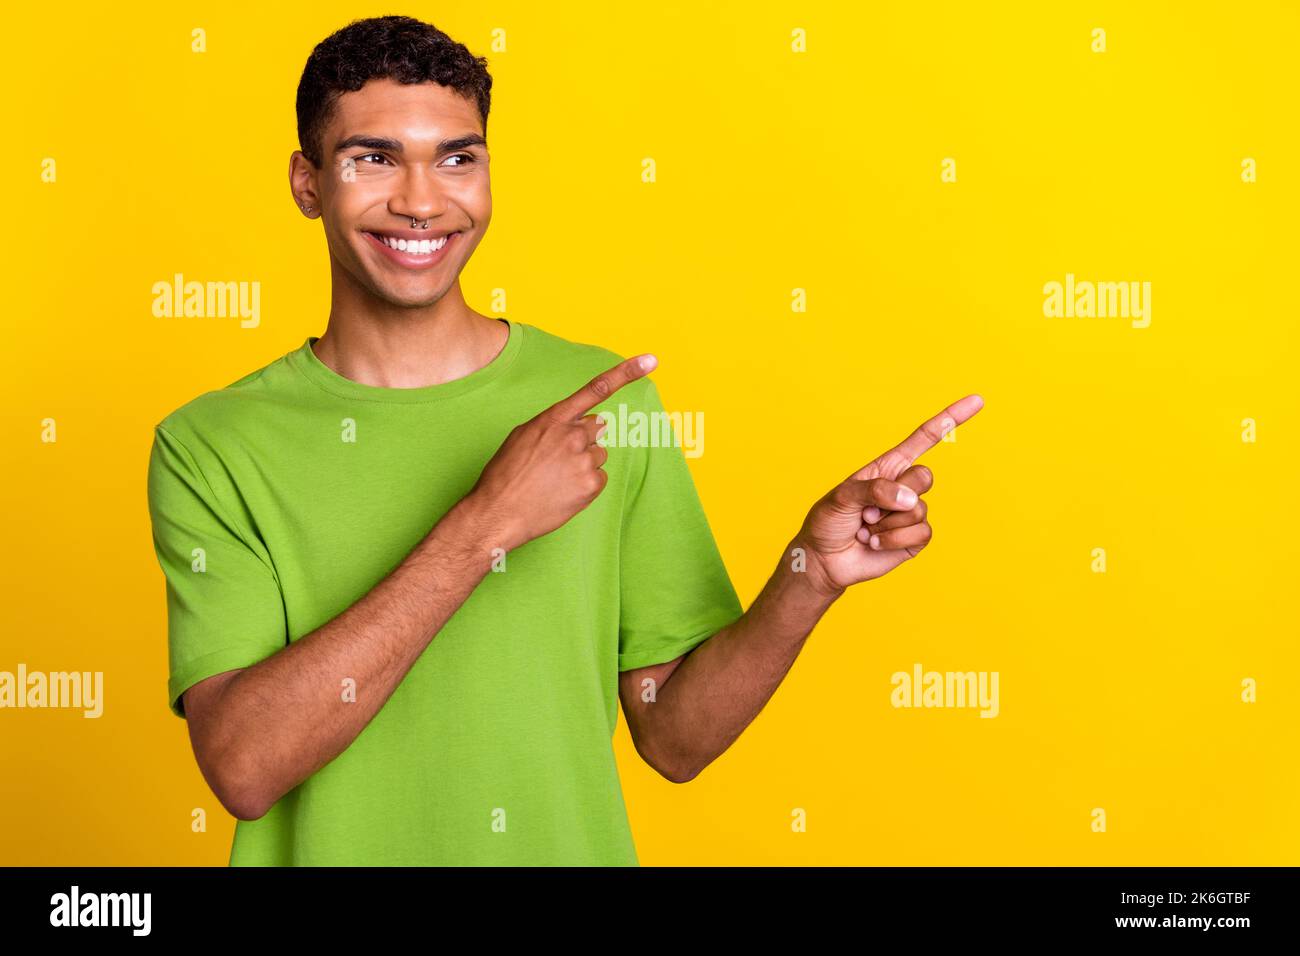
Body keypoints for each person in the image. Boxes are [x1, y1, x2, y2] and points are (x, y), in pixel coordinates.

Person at [146, 14, 983, 866]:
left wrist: (809, 576)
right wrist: (486, 524)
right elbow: (244, 767)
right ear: (307, 183)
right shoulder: (212, 443)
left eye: (457, 158)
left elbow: (676, 740)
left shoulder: (602, 401)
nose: (422, 200)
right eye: (374, 157)